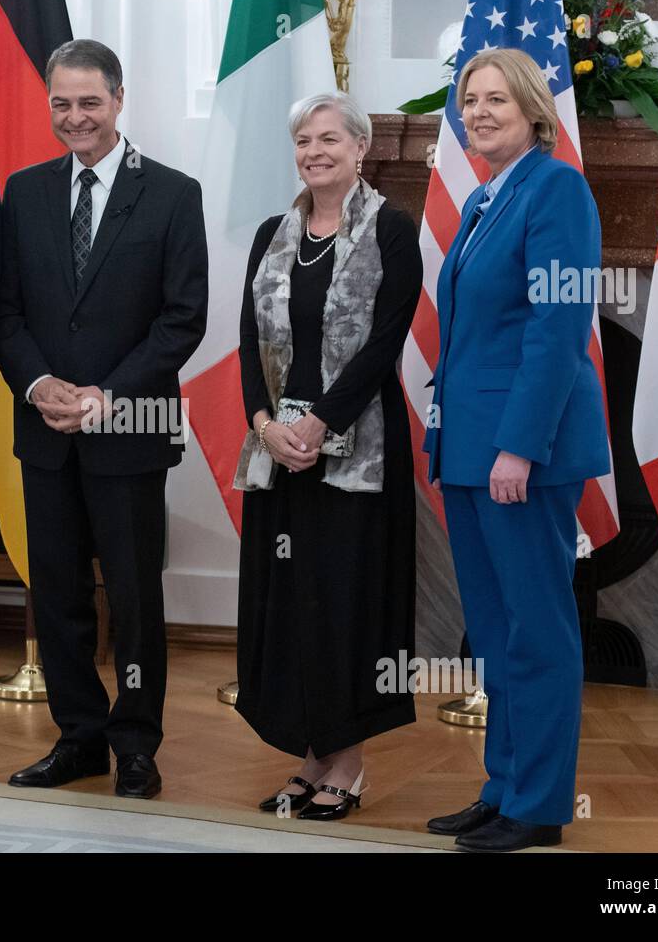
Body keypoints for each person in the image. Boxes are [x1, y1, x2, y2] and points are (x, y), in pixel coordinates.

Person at [0, 39, 208, 799]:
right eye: (61, 104)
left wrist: (106, 396)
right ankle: (78, 736)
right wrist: (40, 382)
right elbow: (3, 312)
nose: (75, 117)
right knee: (58, 592)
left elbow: (182, 319)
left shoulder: (173, 193)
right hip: (45, 429)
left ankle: (136, 743)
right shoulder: (24, 192)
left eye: (89, 102)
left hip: (130, 428)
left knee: (134, 598)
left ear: (118, 100)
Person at [422, 48, 611, 852]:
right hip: (471, 451)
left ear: (534, 111)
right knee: (496, 635)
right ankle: (502, 790)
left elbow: (556, 332)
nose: (479, 112)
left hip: (520, 456)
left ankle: (538, 806)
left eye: (496, 99)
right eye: (470, 100)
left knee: (536, 631)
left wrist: (519, 449)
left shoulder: (556, 189)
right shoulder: (484, 199)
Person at [233, 92, 422, 821]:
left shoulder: (392, 230)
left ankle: (348, 762)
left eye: (329, 140)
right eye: (304, 141)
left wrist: (318, 424)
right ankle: (310, 756)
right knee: (291, 604)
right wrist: (264, 425)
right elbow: (248, 341)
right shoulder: (272, 234)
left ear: (360, 148)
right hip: (278, 452)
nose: (314, 152)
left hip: (357, 451)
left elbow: (385, 341)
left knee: (347, 602)